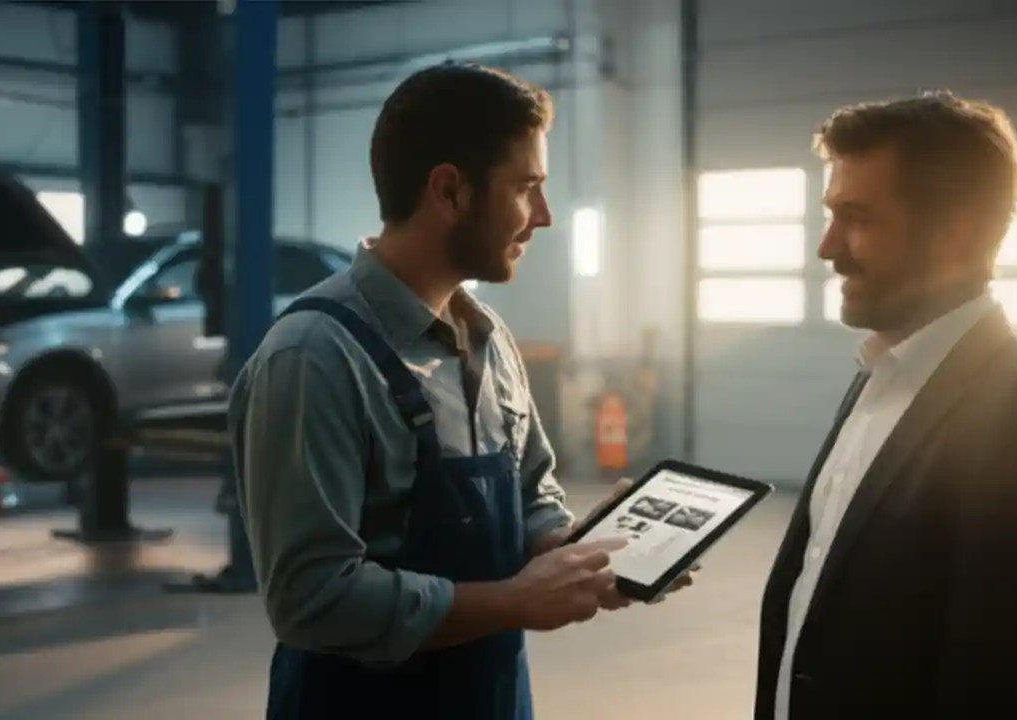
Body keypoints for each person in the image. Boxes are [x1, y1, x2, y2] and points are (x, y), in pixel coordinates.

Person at [229, 63, 685, 720]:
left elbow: (532, 492)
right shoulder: (314, 357)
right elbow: (310, 597)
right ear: (450, 191)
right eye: (527, 187)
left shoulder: (488, 337)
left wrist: (572, 551)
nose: (546, 217)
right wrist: (516, 602)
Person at [755, 92, 1017, 720]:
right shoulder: (880, 375)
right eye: (830, 215)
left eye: (857, 217)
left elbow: (1000, 694)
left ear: (956, 231)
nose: (827, 248)